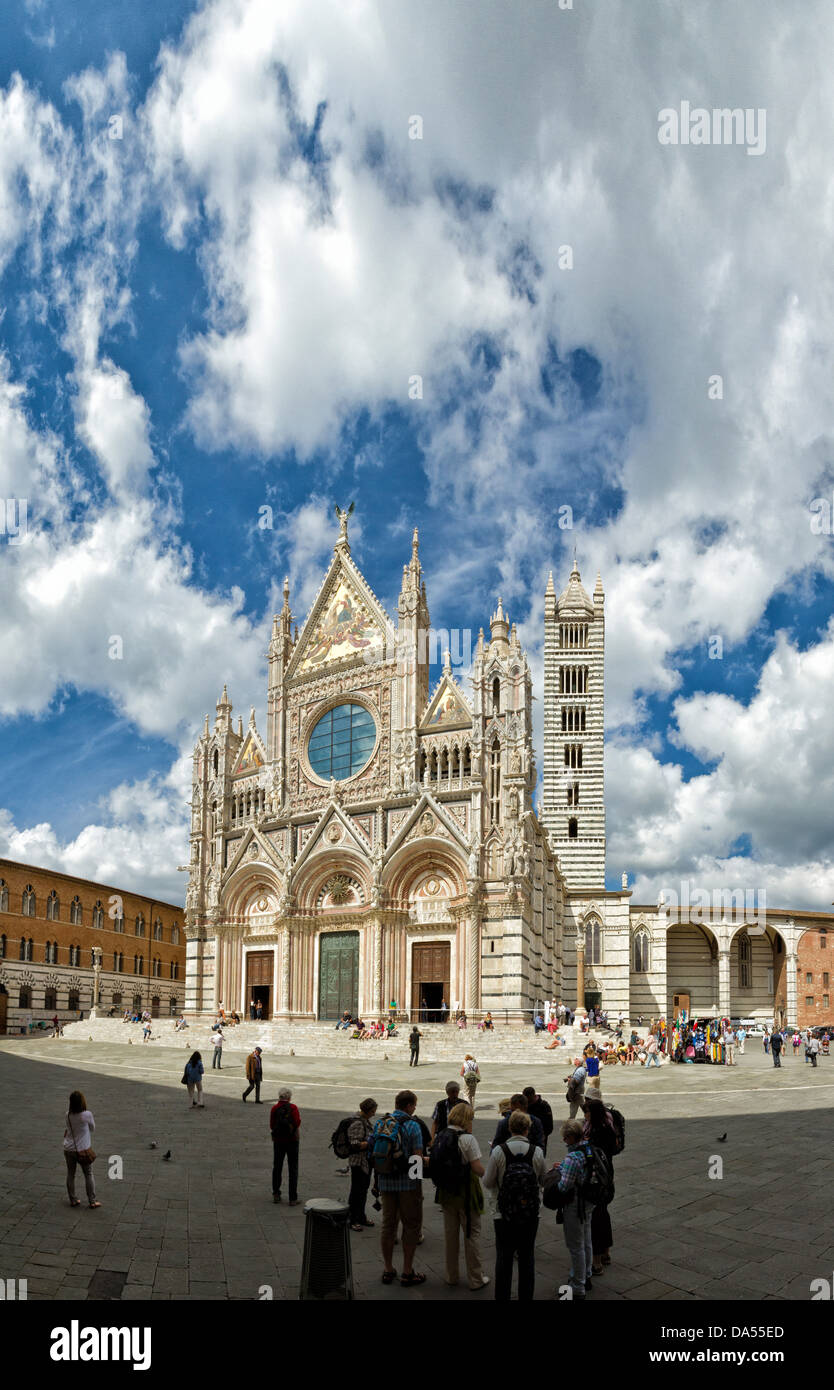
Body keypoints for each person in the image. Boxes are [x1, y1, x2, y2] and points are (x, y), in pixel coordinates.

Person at [483, 1109, 546, 1301]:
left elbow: (487, 1182)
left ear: (510, 1128)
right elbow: (542, 1180)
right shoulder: (537, 1152)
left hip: (503, 1213)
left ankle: (502, 1296)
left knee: (504, 1257)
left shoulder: (498, 1151)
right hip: (530, 1213)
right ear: (527, 1129)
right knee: (527, 1258)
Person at [431, 1101, 489, 1290]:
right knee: (472, 1235)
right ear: (466, 1119)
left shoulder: (441, 1134)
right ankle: (476, 1278)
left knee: (450, 1235)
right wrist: (492, 1177)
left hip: (446, 1192)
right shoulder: (467, 1139)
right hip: (466, 1192)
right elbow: (477, 1168)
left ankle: (451, 1275)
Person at [375, 1089, 426, 1287]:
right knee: (411, 1226)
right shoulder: (413, 1126)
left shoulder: (382, 1122)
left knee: (388, 1226)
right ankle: (407, 1271)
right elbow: (417, 1158)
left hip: (386, 1181)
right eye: (414, 1105)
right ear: (408, 1106)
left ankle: (388, 1269)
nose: (414, 1109)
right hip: (408, 1184)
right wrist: (417, 1187)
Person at [546, 1119, 599, 1298]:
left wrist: (557, 1175)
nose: (563, 1141)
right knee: (586, 1239)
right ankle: (587, 1274)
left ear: (570, 1137)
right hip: (590, 1201)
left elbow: (564, 1186)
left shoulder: (573, 1157)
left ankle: (578, 1286)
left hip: (575, 1204)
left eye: (565, 1137)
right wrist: (563, 1168)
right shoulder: (589, 1148)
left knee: (575, 1245)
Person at [582, 1097, 618, 1274]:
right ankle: (606, 1252)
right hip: (608, 1175)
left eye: (586, 1112)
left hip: (596, 1178)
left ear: (592, 1114)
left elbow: (589, 1156)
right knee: (603, 1213)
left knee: (595, 1217)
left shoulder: (594, 1132)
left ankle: (596, 1261)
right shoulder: (609, 1127)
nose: (584, 1115)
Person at [63, 1090, 100, 1208]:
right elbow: (93, 1128)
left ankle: (73, 1199)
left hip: (68, 1149)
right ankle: (92, 1201)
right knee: (88, 1174)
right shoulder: (87, 1114)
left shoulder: (67, 1114)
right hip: (83, 1150)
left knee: (70, 1174)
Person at [347, 1098, 378, 1230]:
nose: (374, 1114)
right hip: (359, 1162)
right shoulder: (358, 1123)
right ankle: (352, 1219)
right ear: (367, 1110)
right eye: (373, 1111)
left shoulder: (364, 1121)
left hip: (365, 1162)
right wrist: (370, 1143)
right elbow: (354, 1144)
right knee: (357, 1191)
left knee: (362, 1190)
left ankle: (361, 1216)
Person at [270, 1086, 301, 1205]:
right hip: (292, 1140)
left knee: (277, 1167)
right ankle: (293, 1198)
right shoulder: (293, 1108)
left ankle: (276, 1194)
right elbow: (297, 1122)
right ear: (289, 1097)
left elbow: (272, 1125)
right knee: (293, 1168)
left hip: (278, 1141)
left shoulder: (274, 1108)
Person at [522, 1086, 554, 1154]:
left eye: (529, 1100)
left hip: (540, 1139)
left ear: (533, 1096)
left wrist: (543, 1135)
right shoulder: (525, 1105)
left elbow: (549, 1126)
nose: (527, 1102)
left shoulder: (544, 1106)